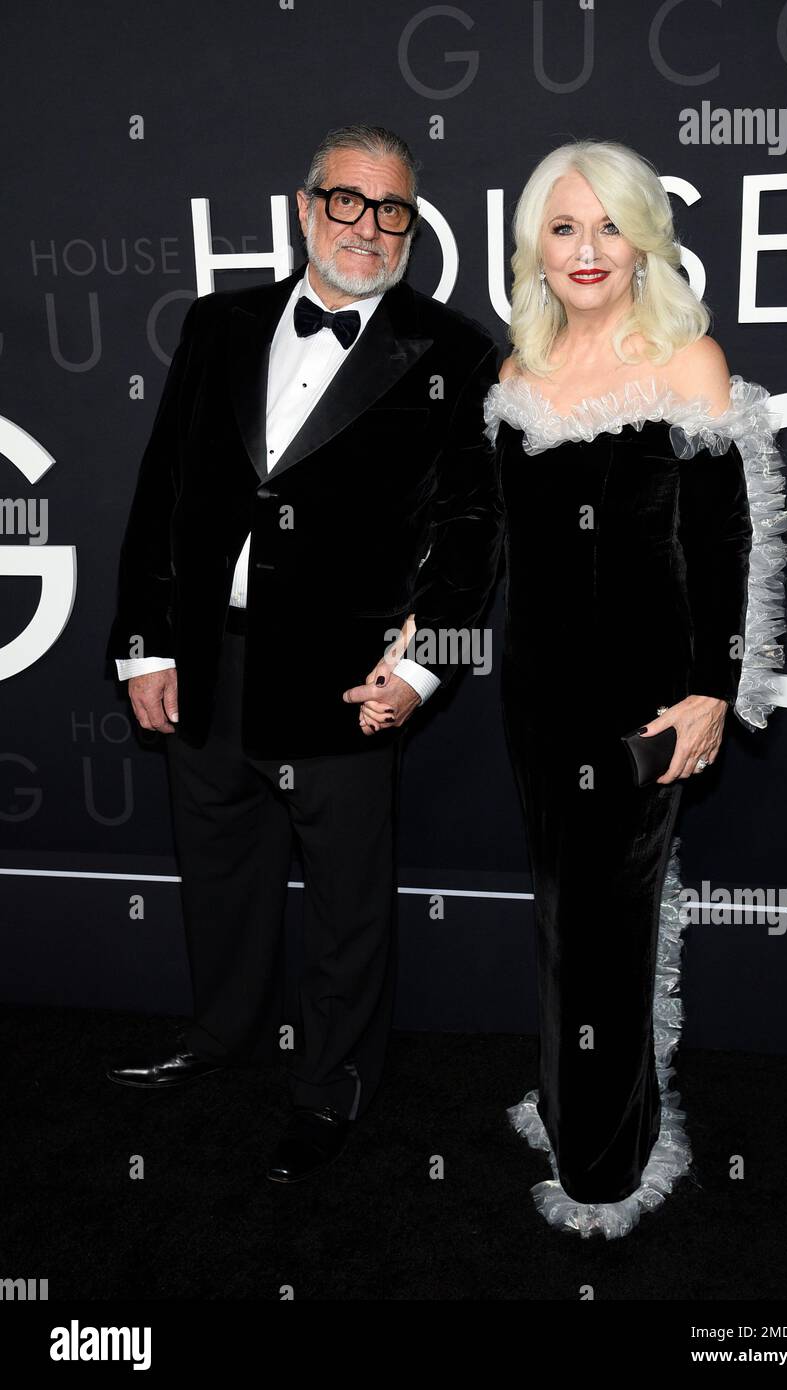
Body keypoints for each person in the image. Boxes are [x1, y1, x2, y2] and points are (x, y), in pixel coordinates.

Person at [104, 124, 503, 1184]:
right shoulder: (218, 324)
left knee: (347, 899)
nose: (368, 228)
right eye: (347, 202)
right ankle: (220, 1032)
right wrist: (142, 644)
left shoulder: (456, 353)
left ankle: (332, 1090)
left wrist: (424, 670)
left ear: (413, 226)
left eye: (393, 211)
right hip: (205, 659)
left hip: (347, 677)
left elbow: (476, 536)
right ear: (303, 206)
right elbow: (163, 498)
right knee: (220, 869)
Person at [481, 139, 787, 1239]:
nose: (587, 249)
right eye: (563, 227)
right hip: (534, 697)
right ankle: (578, 1102)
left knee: (609, 928)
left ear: (645, 235)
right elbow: (502, 546)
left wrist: (713, 691)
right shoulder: (516, 378)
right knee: (566, 917)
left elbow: (726, 543)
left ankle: (605, 1166)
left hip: (642, 706)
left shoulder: (688, 364)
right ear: (535, 245)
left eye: (609, 224)